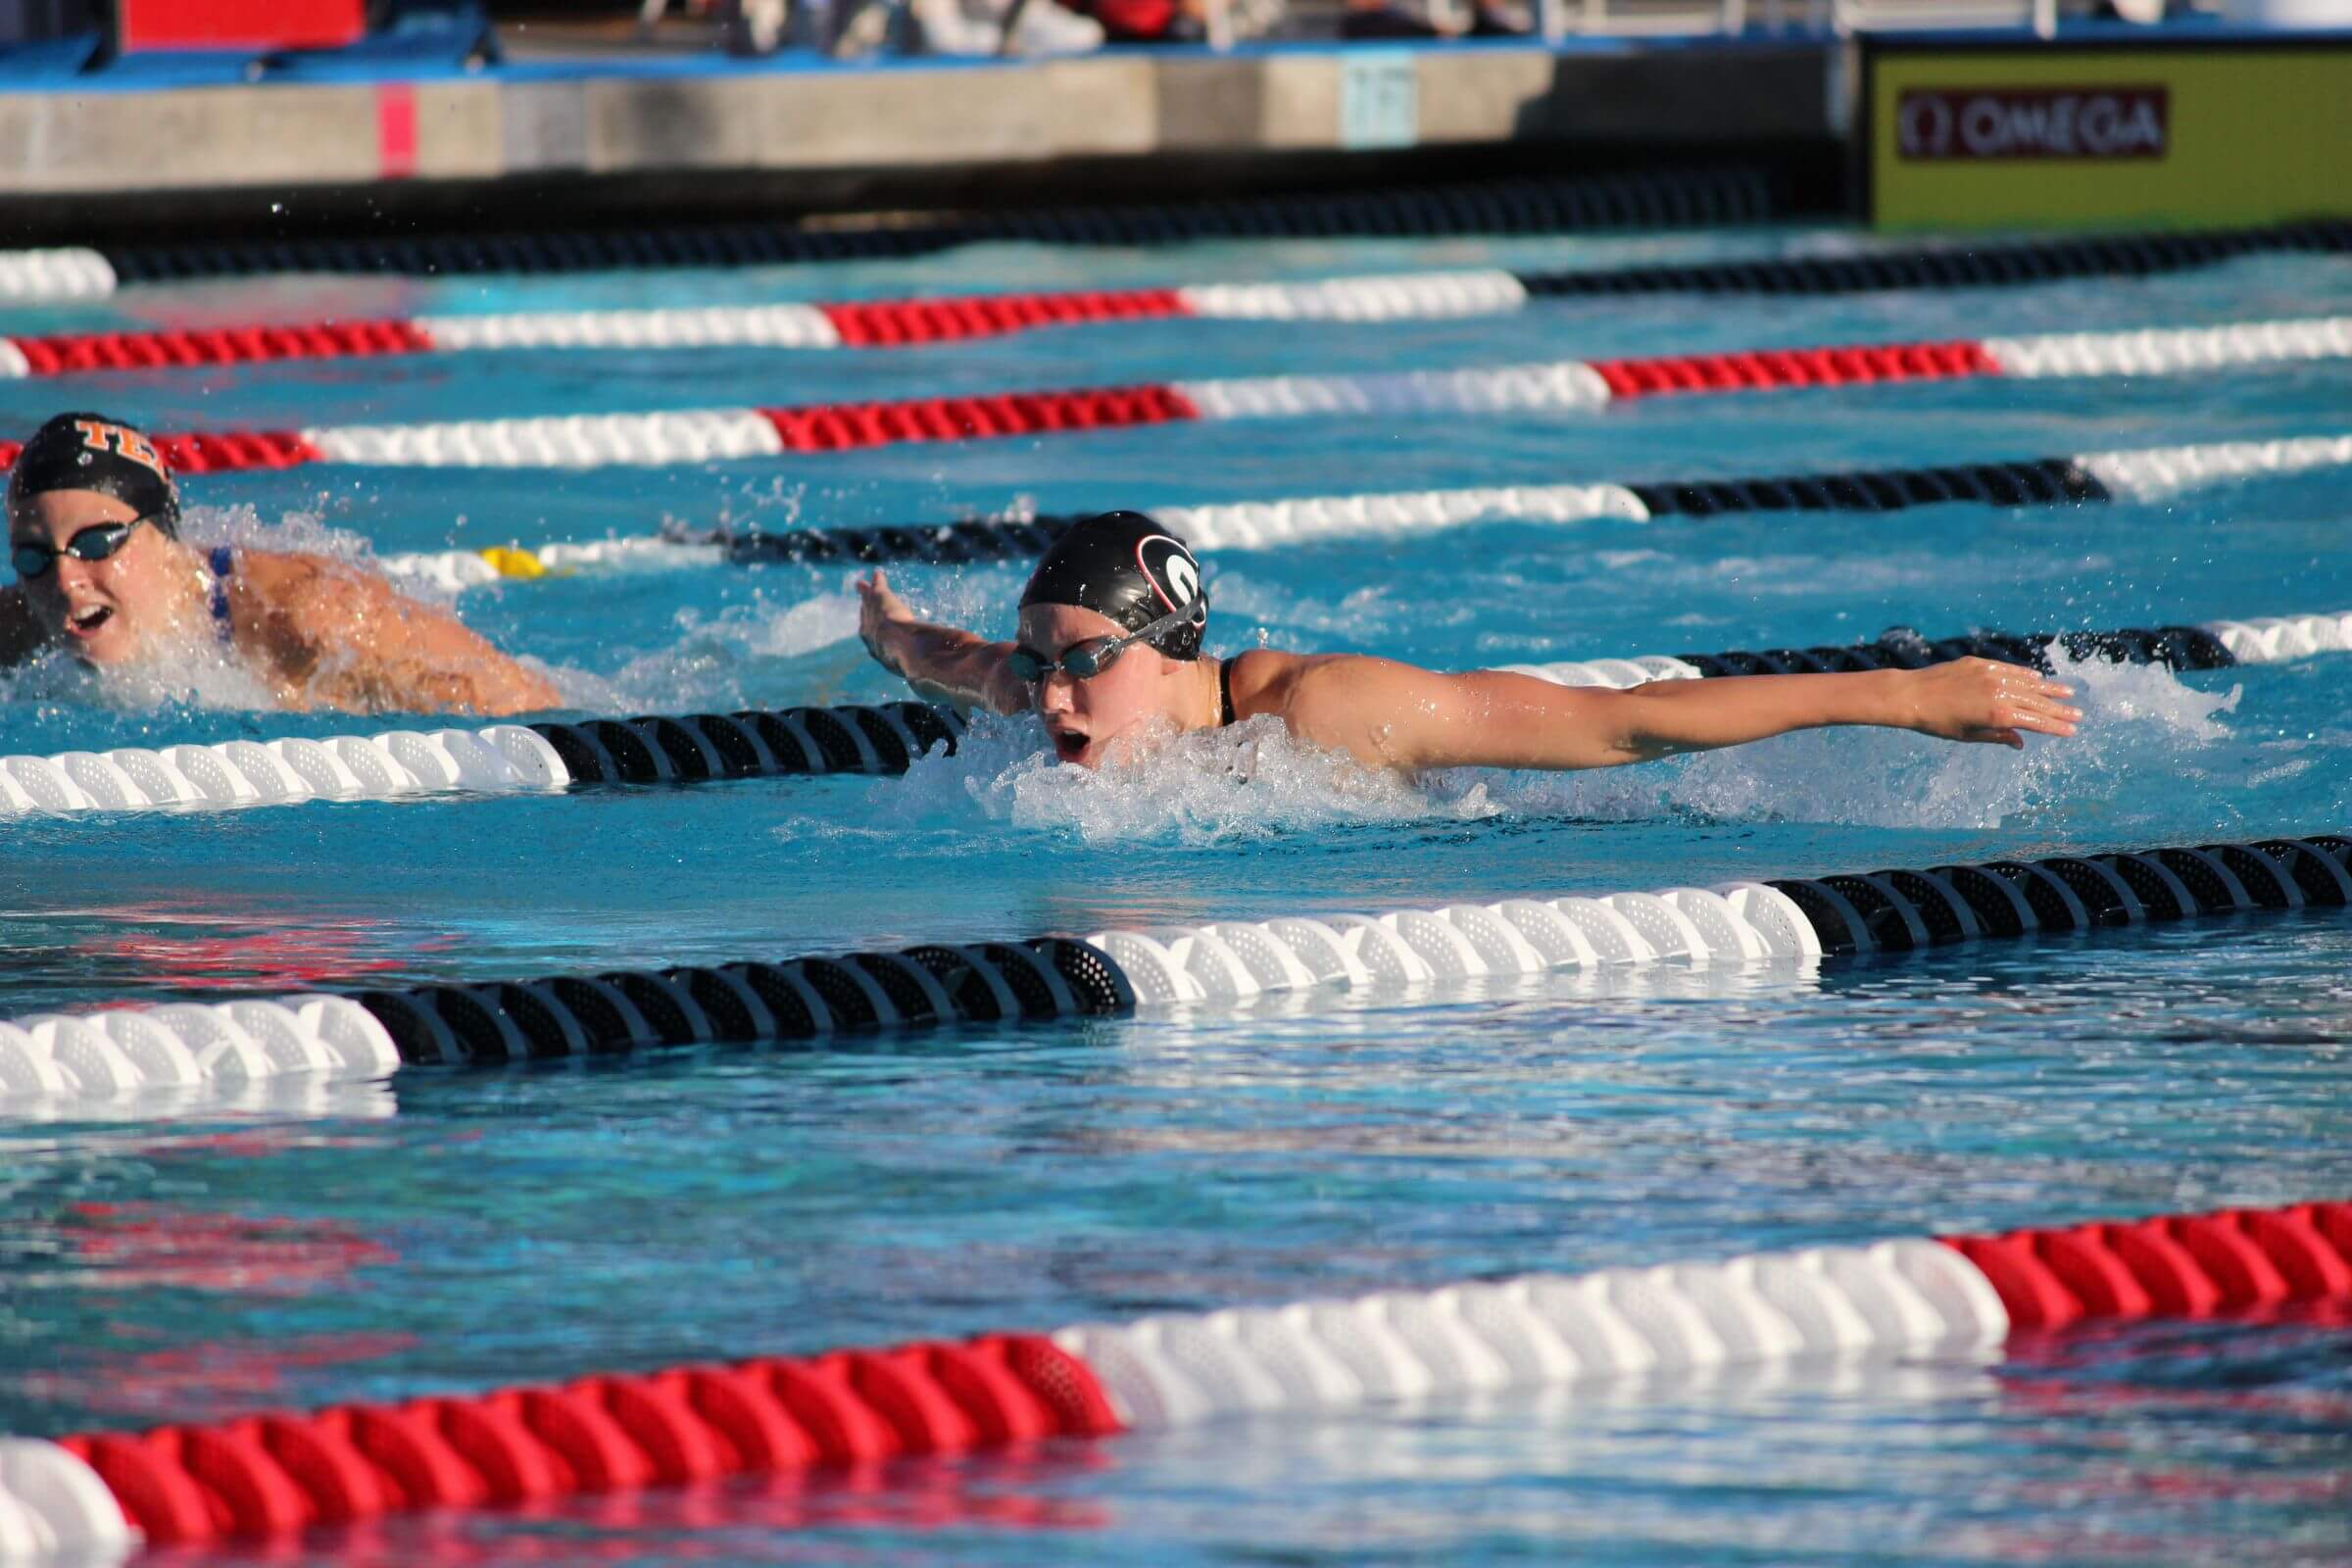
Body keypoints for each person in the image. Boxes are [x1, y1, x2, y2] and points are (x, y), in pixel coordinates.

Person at [855, 510, 2081, 775]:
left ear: (1170, 647)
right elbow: (940, 657)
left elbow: (1625, 721)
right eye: (1039, 662)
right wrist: (888, 627)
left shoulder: (1332, 712)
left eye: (1080, 661)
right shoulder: (1039, 701)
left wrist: (1909, 696)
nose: (1052, 697)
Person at [2, 412, 561, 716]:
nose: (64, 579)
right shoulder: (20, 629)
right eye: (32, 556)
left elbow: (525, 707)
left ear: (163, 533)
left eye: (96, 544)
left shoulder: (300, 618)